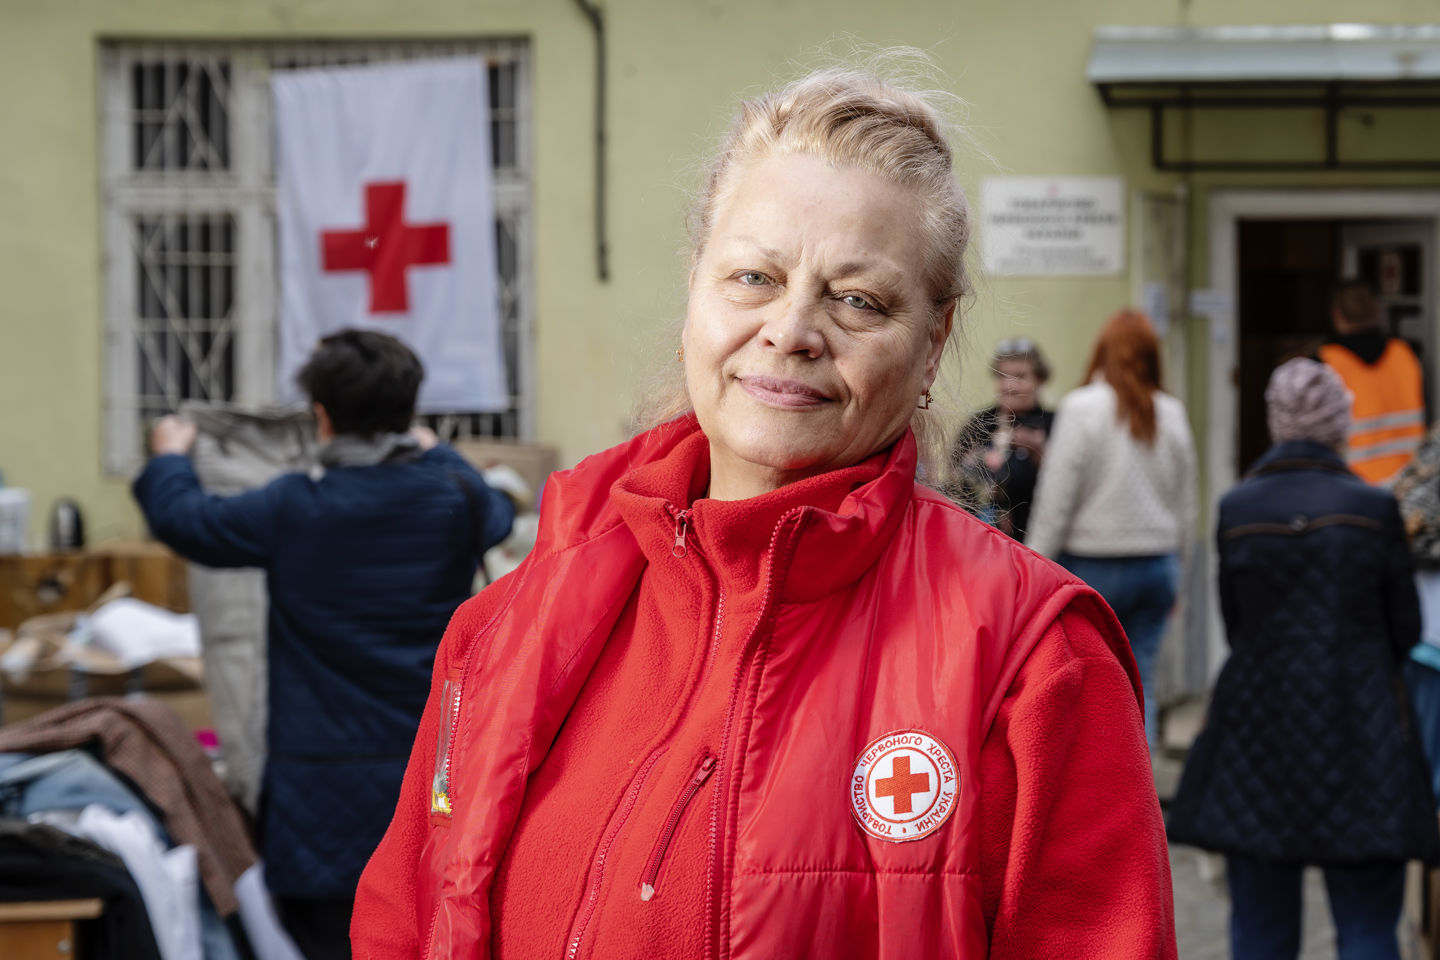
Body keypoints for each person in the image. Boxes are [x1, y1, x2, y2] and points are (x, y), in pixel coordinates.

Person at [352, 63, 1176, 959]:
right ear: (694, 289)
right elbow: (404, 919)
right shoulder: (509, 626)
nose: (791, 330)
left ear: (933, 342)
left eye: (858, 299)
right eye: (753, 277)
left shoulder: (1035, 662)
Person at [132, 329, 516, 960]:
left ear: (322, 416)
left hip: (317, 787)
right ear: (409, 412)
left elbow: (188, 521)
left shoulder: (294, 507)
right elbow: (497, 513)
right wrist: (436, 452)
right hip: (432, 774)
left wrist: (170, 457)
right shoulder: (454, 496)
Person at [1167, 358, 1439, 960]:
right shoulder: (1374, 510)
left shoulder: (1239, 508)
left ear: (1276, 422)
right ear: (1339, 423)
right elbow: (1405, 629)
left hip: (1258, 735)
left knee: (1261, 930)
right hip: (1363, 729)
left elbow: (1238, 625)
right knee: (1369, 926)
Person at [1024, 309, 1196, 750]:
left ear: (1101, 352)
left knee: (1090, 690)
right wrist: (1182, 578)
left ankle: (1101, 805)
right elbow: (1187, 506)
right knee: (1144, 685)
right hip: (1158, 566)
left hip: (1093, 568)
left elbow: (1056, 499)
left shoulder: (1083, 408)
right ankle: (1145, 796)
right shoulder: (1171, 412)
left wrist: (1033, 570)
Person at [1318, 278, 1425, 485]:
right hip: (1408, 484)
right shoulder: (1404, 354)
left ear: (1336, 314)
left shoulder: (1325, 363)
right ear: (1376, 312)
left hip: (1353, 486)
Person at [952, 337, 1054, 539]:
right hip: (977, 540)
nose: (1010, 386)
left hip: (1033, 543)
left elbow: (1065, 487)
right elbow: (954, 479)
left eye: (1020, 376)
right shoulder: (980, 423)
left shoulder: (1051, 424)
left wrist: (1038, 451)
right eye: (1002, 376)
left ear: (1039, 380)